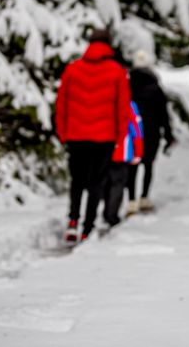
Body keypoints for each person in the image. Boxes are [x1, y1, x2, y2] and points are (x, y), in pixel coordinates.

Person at [54, 28, 131, 243]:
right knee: (96, 183)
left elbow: (61, 104)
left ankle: (72, 221)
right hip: (104, 138)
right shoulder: (117, 72)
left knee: (77, 181)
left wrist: (63, 132)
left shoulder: (72, 69)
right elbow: (123, 108)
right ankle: (88, 226)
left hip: (75, 136)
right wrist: (120, 136)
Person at [125, 50, 176, 215]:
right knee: (148, 165)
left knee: (132, 166)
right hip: (152, 132)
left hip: (133, 131)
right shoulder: (155, 87)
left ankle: (131, 200)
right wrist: (168, 134)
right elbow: (164, 114)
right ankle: (144, 197)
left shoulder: (127, 84)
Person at [101, 99, 144, 231]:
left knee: (106, 181)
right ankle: (111, 215)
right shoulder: (129, 104)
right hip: (121, 151)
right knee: (118, 183)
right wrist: (138, 150)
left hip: (102, 149)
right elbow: (136, 128)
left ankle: (107, 211)